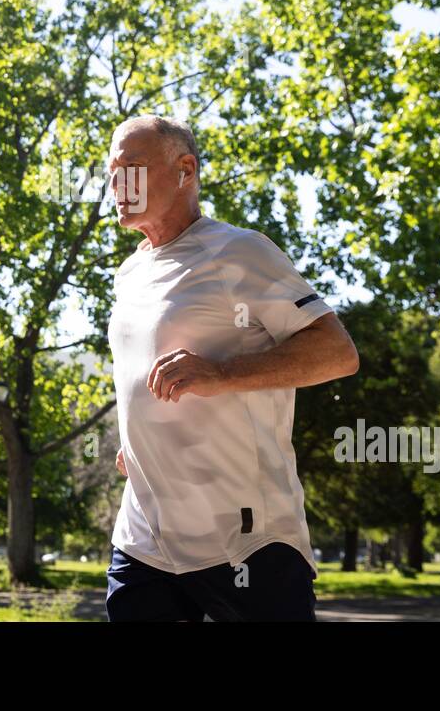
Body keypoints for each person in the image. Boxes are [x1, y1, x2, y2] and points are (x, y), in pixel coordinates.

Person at [103, 115, 359, 621]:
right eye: (112, 172)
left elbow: (337, 352)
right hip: (145, 537)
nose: (117, 184)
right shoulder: (130, 272)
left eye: (132, 168)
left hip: (247, 539)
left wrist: (221, 375)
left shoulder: (238, 252)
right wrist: (139, 440)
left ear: (185, 170)